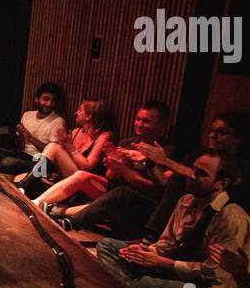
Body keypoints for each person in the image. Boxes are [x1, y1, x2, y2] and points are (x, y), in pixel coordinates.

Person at [96, 149, 250, 288]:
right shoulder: (186, 200)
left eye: (201, 173)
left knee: (145, 286)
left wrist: (161, 262)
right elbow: (168, 242)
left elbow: (214, 274)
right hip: (174, 272)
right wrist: (147, 251)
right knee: (108, 246)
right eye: (193, 169)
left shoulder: (230, 217)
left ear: (221, 183)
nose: (191, 175)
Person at [38, 99, 173, 236]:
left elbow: (154, 189)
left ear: (162, 124)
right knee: (80, 175)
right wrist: (117, 164)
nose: (139, 124)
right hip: (111, 190)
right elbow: (110, 176)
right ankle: (35, 201)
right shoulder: (127, 142)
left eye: (146, 121)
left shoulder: (167, 151)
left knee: (120, 193)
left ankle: (63, 219)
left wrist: (124, 168)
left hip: (136, 202)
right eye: (138, 119)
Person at [138, 111, 250, 234]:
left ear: (238, 138)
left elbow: (211, 183)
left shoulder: (245, 166)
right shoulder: (198, 155)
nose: (213, 135)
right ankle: (150, 236)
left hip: (214, 213)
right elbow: (166, 183)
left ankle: (152, 237)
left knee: (179, 179)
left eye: (222, 132)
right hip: (177, 209)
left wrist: (166, 161)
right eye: (212, 130)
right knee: (124, 193)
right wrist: (150, 163)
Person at [23, 97, 116, 194]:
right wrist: (62, 142)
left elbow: (87, 167)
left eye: (80, 110)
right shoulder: (76, 131)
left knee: (53, 147)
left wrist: (68, 145)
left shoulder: (104, 136)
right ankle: (27, 184)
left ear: (89, 116)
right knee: (22, 176)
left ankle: (25, 185)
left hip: (86, 181)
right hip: (65, 175)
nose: (76, 112)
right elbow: (63, 159)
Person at [0, 83, 67, 176]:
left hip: (37, 160)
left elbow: (52, 155)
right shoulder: (28, 115)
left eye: (53, 101)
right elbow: (20, 145)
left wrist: (30, 138)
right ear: (37, 99)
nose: (49, 104)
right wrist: (21, 138)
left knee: (7, 162)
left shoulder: (58, 121)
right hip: (20, 154)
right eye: (46, 99)